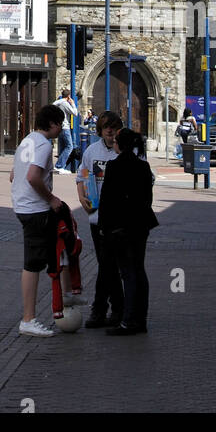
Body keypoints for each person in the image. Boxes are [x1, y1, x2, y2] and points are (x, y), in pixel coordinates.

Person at [11, 104, 71, 337]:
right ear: (53, 123)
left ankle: (68, 295)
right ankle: (29, 318)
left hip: (23, 206)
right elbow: (32, 176)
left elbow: (13, 174)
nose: (61, 130)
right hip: (37, 209)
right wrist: (51, 197)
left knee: (60, 248)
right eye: (61, 124)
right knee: (35, 263)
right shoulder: (45, 145)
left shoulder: (26, 140)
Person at [98, 127, 159, 335]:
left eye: (115, 142)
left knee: (128, 272)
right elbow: (147, 199)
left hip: (121, 227)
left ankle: (129, 320)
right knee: (139, 270)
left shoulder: (115, 166)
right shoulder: (143, 166)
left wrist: (104, 227)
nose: (112, 144)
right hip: (141, 225)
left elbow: (107, 200)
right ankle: (141, 319)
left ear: (120, 145)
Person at [76, 110, 125, 329]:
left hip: (119, 219)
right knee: (107, 265)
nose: (110, 131)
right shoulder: (92, 151)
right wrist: (82, 197)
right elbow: (82, 176)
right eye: (107, 127)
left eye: (114, 127)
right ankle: (114, 308)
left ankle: (103, 309)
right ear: (100, 130)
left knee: (109, 265)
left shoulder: (124, 151)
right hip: (97, 218)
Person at [54, 88, 78, 171]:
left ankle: (60, 167)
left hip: (59, 127)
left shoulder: (57, 103)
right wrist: (73, 104)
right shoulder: (65, 104)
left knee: (61, 147)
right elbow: (75, 113)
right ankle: (59, 166)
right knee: (69, 146)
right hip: (65, 127)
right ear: (68, 97)